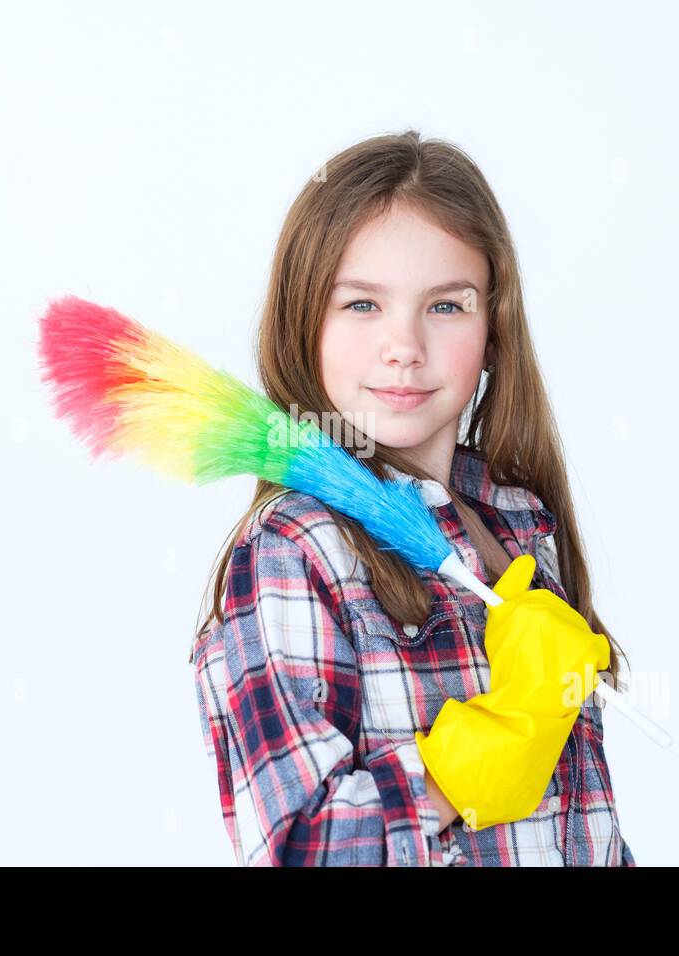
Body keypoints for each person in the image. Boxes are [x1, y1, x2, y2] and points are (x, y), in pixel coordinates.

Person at [189, 129, 635, 866]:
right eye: (363, 305)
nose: (404, 345)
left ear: (494, 331)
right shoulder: (295, 553)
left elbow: (586, 830)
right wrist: (475, 759)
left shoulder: (523, 530)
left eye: (447, 306)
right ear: (305, 326)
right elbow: (303, 847)